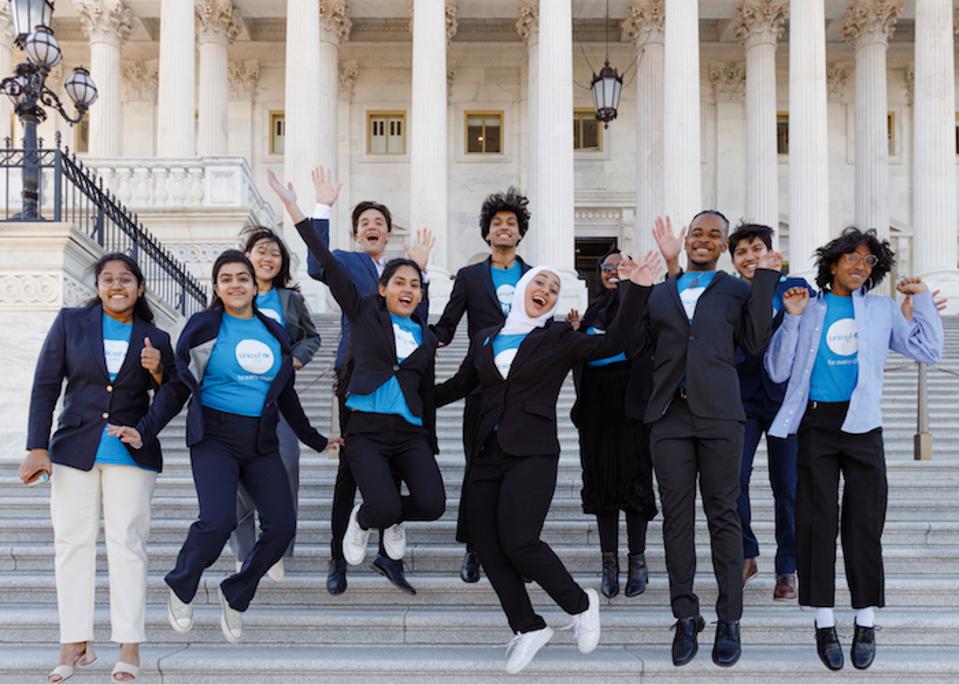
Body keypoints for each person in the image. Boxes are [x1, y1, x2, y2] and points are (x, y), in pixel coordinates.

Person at [435, 253, 659, 674]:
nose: (546, 293)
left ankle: (580, 603)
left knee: (519, 541)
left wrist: (637, 290)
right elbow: (459, 385)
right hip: (486, 455)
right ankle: (528, 626)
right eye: (541, 285)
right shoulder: (486, 336)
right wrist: (403, 399)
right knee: (486, 543)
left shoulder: (558, 337)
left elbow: (613, 344)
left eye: (554, 290)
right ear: (523, 290)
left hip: (533, 453)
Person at [109, 250, 336, 645]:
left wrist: (317, 440)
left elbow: (285, 396)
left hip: (260, 440)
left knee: (281, 527)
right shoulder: (203, 326)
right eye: (226, 278)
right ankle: (182, 583)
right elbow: (178, 385)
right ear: (216, 287)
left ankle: (237, 591)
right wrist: (145, 429)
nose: (235, 284)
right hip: (214, 436)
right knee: (217, 521)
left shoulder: (273, 331)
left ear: (254, 285)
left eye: (242, 278)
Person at [764, 228, 943, 672]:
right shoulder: (809, 308)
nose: (859, 266)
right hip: (817, 423)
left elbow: (929, 349)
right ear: (833, 264)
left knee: (864, 523)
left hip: (863, 425)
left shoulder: (881, 310)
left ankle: (865, 620)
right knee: (816, 522)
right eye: (851, 258)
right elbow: (777, 368)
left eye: (867, 261)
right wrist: (789, 318)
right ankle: (824, 624)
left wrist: (920, 301)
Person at [267, 167, 424, 595]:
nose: (372, 227)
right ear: (357, 235)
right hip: (354, 376)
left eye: (379, 223)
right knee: (350, 474)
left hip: (398, 386)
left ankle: (390, 559)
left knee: (396, 471)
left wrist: (420, 272)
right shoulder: (351, 264)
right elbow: (318, 262)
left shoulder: (401, 272)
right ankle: (338, 558)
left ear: (389, 234)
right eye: (364, 224)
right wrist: (322, 205)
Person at [21, 253, 175, 683]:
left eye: (125, 279)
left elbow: (176, 392)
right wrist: (36, 446)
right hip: (74, 452)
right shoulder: (71, 323)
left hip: (131, 457)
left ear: (139, 288)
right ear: (98, 287)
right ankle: (73, 644)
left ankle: (129, 646)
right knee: (72, 545)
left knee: (128, 546)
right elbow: (45, 385)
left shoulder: (155, 337)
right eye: (107, 279)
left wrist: (158, 373)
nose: (116, 286)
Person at [637, 211, 782, 668]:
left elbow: (757, 342)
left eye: (713, 235)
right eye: (696, 233)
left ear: (723, 247)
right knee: (676, 520)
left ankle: (729, 620)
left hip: (721, 415)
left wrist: (765, 282)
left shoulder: (738, 290)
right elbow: (636, 344)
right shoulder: (662, 291)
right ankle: (684, 617)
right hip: (669, 418)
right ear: (686, 239)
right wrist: (661, 269)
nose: (704, 240)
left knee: (724, 517)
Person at [431, 187, 532, 583]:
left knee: (520, 474)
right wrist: (417, 339)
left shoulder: (533, 276)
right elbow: (448, 324)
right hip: (481, 388)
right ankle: (474, 548)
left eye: (511, 223)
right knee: (479, 470)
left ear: (520, 233)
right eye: (497, 224)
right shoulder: (471, 277)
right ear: (487, 234)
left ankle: (516, 548)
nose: (504, 229)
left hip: (524, 390)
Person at [228, 227, 322, 584]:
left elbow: (312, 337)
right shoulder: (232, 293)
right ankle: (243, 551)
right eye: (260, 251)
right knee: (238, 477)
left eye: (275, 254)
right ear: (247, 256)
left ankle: (277, 548)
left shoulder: (290, 300)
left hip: (279, 398)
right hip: (235, 399)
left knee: (285, 466)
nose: (267, 258)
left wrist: (297, 360)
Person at [727, 223, 814, 600]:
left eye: (756, 249)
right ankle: (746, 553)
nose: (750, 258)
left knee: (789, 488)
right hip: (742, 400)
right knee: (734, 481)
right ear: (732, 260)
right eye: (742, 252)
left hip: (786, 402)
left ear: (771, 253)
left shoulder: (794, 288)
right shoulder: (727, 293)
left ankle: (788, 567)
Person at [566, 248, 657, 599]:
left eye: (622, 267)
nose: (614, 272)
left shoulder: (644, 307)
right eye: (608, 267)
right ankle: (609, 563)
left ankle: (637, 560)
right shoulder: (593, 309)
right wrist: (576, 333)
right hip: (596, 405)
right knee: (601, 485)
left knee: (634, 483)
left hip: (632, 402)